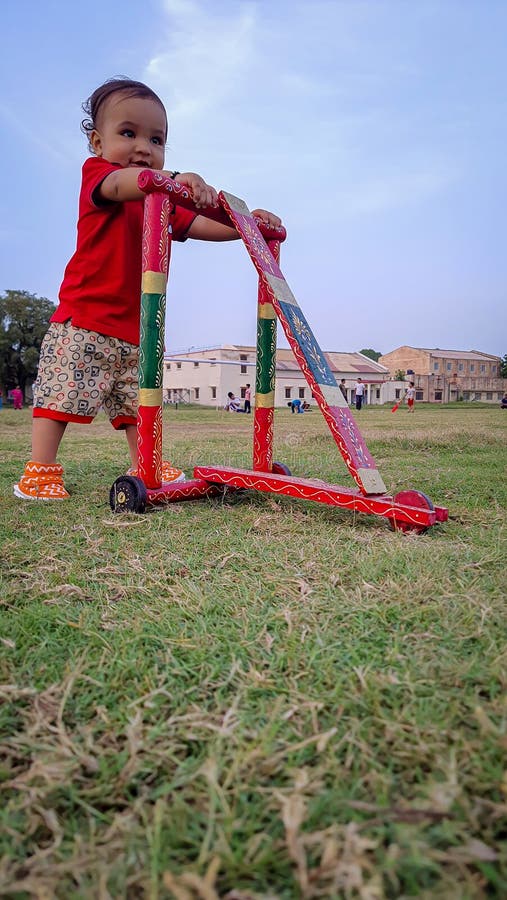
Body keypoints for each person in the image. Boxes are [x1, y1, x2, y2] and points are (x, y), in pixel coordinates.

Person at [14, 77, 280, 500]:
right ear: (97, 143)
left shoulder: (162, 200)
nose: (143, 147)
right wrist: (174, 178)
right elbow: (128, 183)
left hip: (138, 326)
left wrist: (245, 225)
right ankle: (40, 470)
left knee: (140, 404)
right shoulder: (100, 177)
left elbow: (199, 223)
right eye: (128, 133)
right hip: (85, 317)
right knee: (62, 397)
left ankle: (147, 462)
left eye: (156, 140)